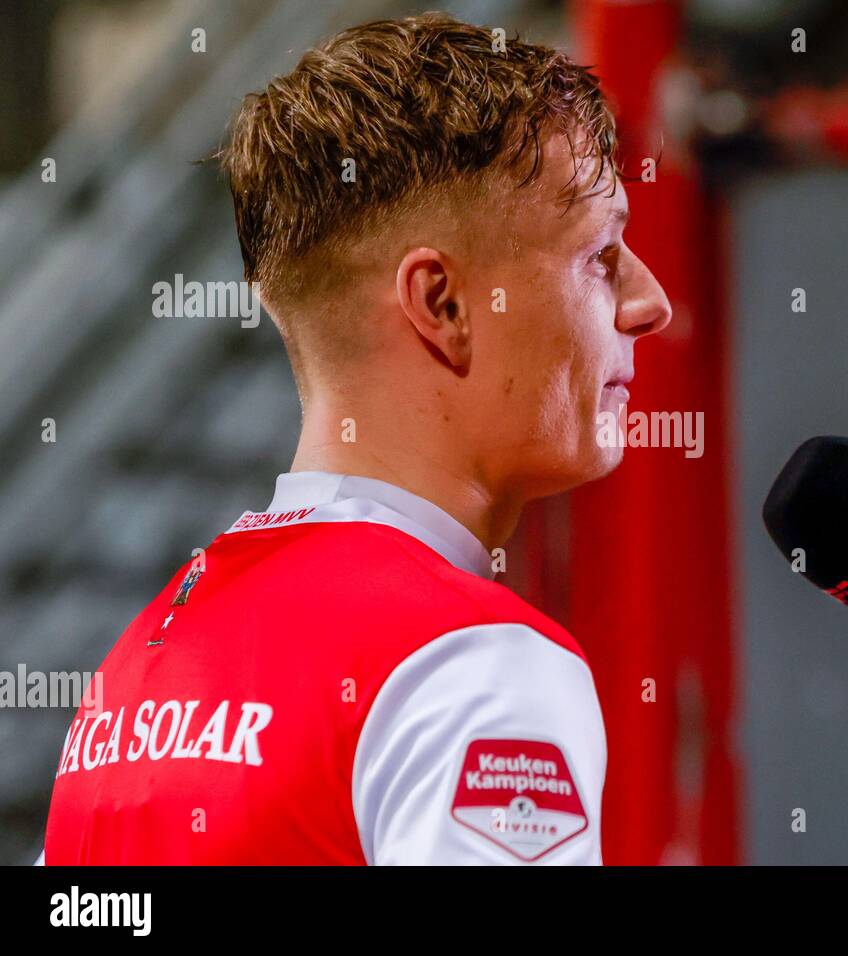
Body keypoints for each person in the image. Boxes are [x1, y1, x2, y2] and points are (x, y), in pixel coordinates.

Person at [40, 12, 671, 865]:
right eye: (601, 255)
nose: (650, 301)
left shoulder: (135, 674)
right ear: (442, 304)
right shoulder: (472, 668)